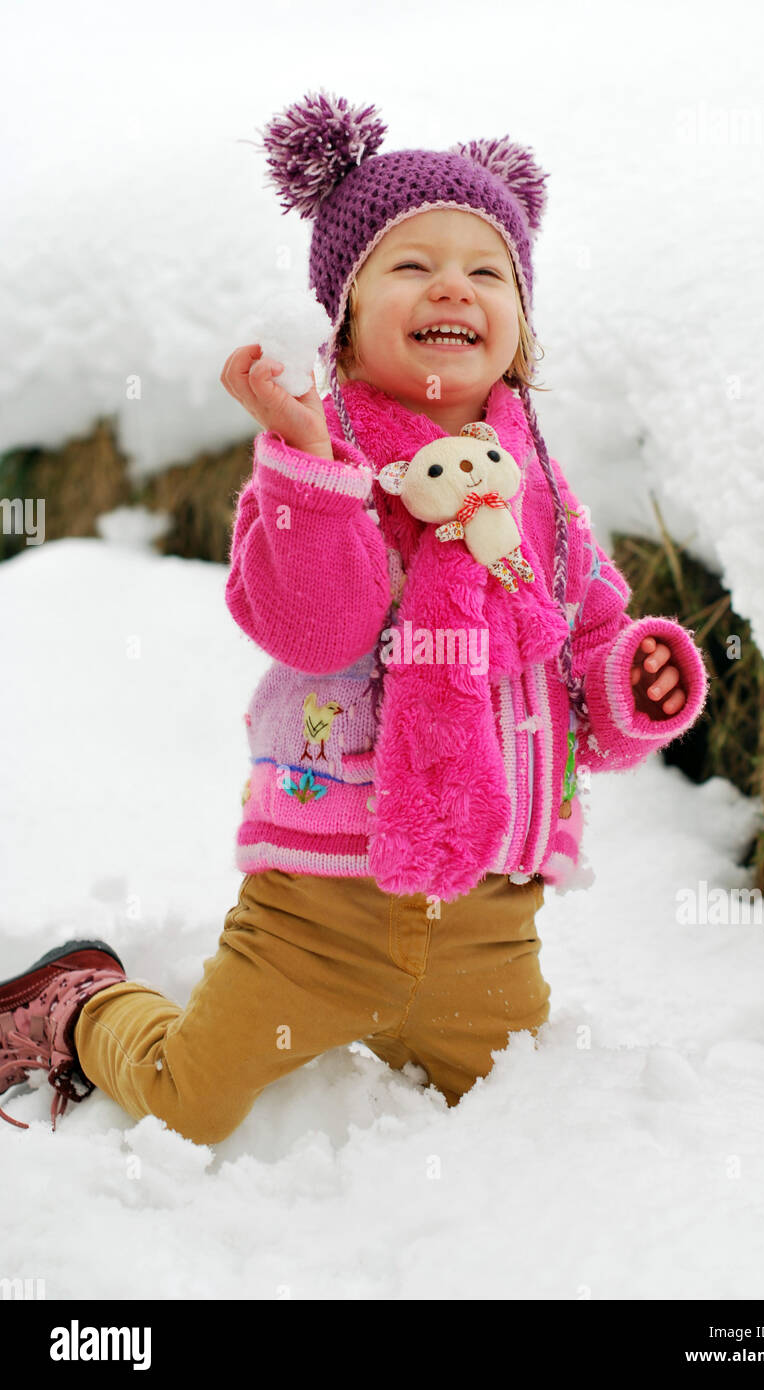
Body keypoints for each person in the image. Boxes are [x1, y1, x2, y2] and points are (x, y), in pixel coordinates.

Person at [0, 92, 709, 1141]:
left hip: (491, 921)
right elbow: (318, 630)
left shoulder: (543, 499)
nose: (453, 285)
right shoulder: (317, 465)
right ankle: (79, 1006)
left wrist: (636, 679)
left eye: (486, 269)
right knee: (197, 1101)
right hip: (317, 911)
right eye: (412, 264)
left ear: (518, 326)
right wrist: (310, 468)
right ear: (344, 311)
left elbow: (586, 658)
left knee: (523, 1125)